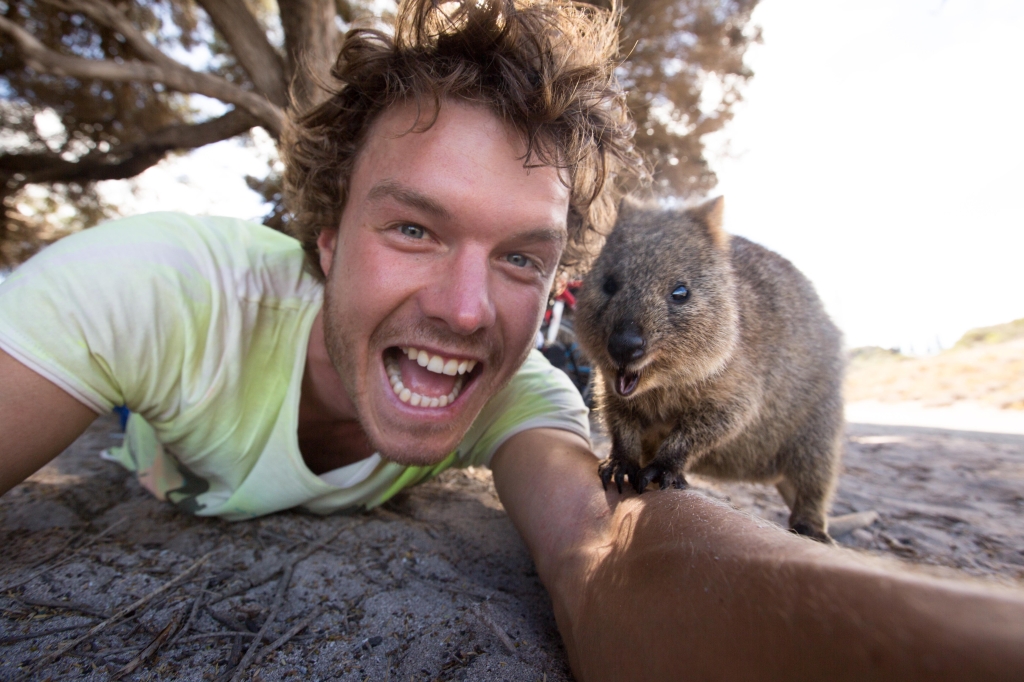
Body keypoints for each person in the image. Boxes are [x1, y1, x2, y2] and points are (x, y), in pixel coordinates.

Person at [0, 0, 1022, 680]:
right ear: (325, 234)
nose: (462, 308)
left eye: (521, 258)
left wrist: (961, 637)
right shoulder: (154, 289)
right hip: (149, 437)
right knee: (136, 435)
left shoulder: (517, 390)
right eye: (413, 226)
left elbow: (611, 553)